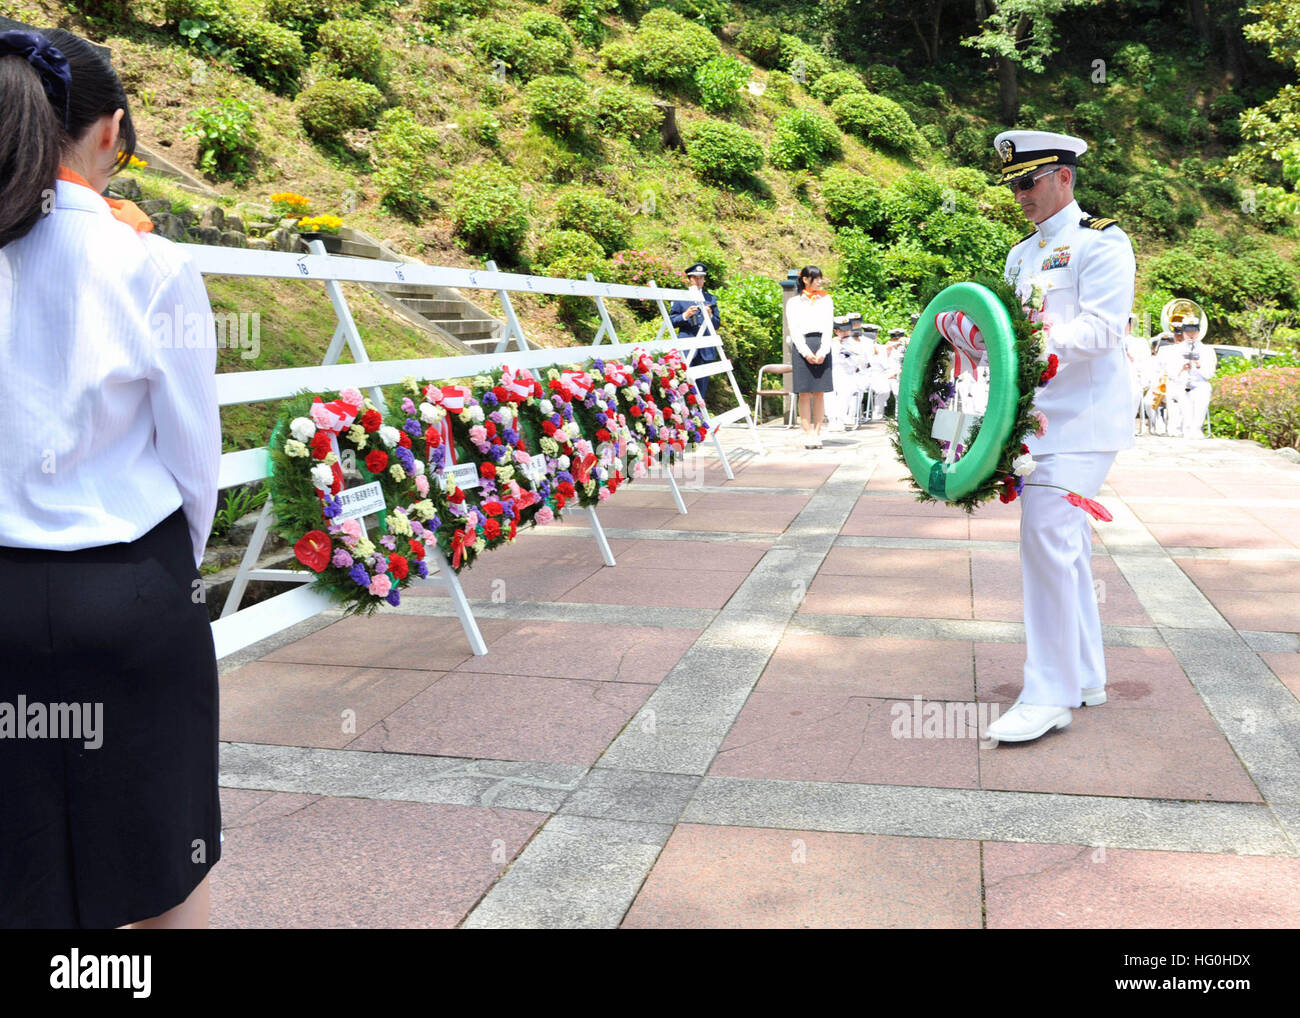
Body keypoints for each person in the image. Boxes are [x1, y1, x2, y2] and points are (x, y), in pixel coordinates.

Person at [0, 28, 222, 927]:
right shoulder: (150, 264)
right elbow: (192, 459)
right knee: (167, 857)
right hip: (129, 590)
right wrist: (171, 580)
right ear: (110, 132)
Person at [983, 130, 1137, 745]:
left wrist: (1026, 346)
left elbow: (1103, 331)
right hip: (1039, 420)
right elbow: (1006, 333)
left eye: (1030, 181)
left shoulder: (1102, 242)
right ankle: (1085, 677)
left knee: (1045, 540)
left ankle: (1046, 694)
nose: (1020, 194)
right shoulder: (1020, 256)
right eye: (1013, 184)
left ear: (1065, 177)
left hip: (1085, 421)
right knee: (1064, 548)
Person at [786, 265, 834, 449]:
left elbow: (829, 326)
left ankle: (818, 432)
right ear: (805, 279)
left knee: (819, 392)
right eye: (816, 278)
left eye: (821, 278)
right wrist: (806, 352)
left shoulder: (826, 300)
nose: (820, 281)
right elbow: (794, 329)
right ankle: (807, 433)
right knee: (804, 392)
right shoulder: (794, 302)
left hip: (822, 344)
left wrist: (823, 350)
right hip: (802, 347)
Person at [668, 261, 721, 400]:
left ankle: (701, 419)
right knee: (683, 387)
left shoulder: (711, 298)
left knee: (701, 390)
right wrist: (685, 315)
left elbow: (716, 325)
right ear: (689, 279)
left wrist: (710, 315)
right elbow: (671, 321)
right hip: (686, 346)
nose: (698, 281)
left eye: (701, 278)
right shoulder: (679, 297)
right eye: (695, 278)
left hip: (705, 350)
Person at [1171, 315, 1216, 438]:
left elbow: (1210, 374)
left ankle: (1196, 428)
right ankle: (1186, 429)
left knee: (1204, 392)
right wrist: (1181, 368)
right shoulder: (1176, 349)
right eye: (1187, 331)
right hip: (1182, 382)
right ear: (1183, 332)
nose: (1190, 335)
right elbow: (1171, 374)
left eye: (1193, 331)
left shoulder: (1207, 350)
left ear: (1198, 332)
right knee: (1182, 400)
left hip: (1199, 383)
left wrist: (1198, 365)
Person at [1123, 313, 1152, 436]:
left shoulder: (1139, 343)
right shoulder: (1108, 343)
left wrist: (1144, 383)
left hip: (1132, 379)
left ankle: (1126, 427)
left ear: (1131, 325)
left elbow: (1145, 364)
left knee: (1134, 390)